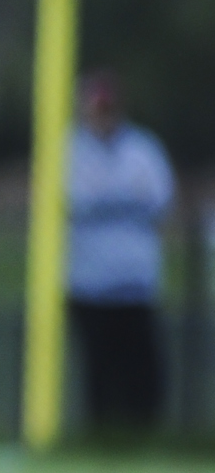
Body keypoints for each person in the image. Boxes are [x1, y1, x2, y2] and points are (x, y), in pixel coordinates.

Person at [66, 70, 175, 437]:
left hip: (135, 283)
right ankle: (101, 436)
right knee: (98, 369)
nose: (103, 117)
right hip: (89, 283)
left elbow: (161, 203)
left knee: (142, 370)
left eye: (108, 109)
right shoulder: (71, 152)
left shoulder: (143, 150)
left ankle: (143, 436)